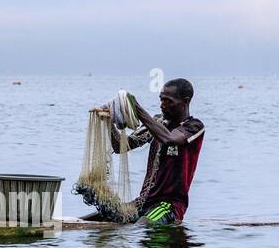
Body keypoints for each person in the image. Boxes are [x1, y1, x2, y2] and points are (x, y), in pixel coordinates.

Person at [82, 77, 206, 225]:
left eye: (168, 101)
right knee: (97, 217)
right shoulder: (158, 122)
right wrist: (108, 121)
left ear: (185, 102)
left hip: (168, 205)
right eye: (161, 100)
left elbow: (169, 139)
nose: (162, 105)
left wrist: (137, 108)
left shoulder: (193, 127)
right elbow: (122, 146)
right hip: (143, 202)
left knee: (141, 226)